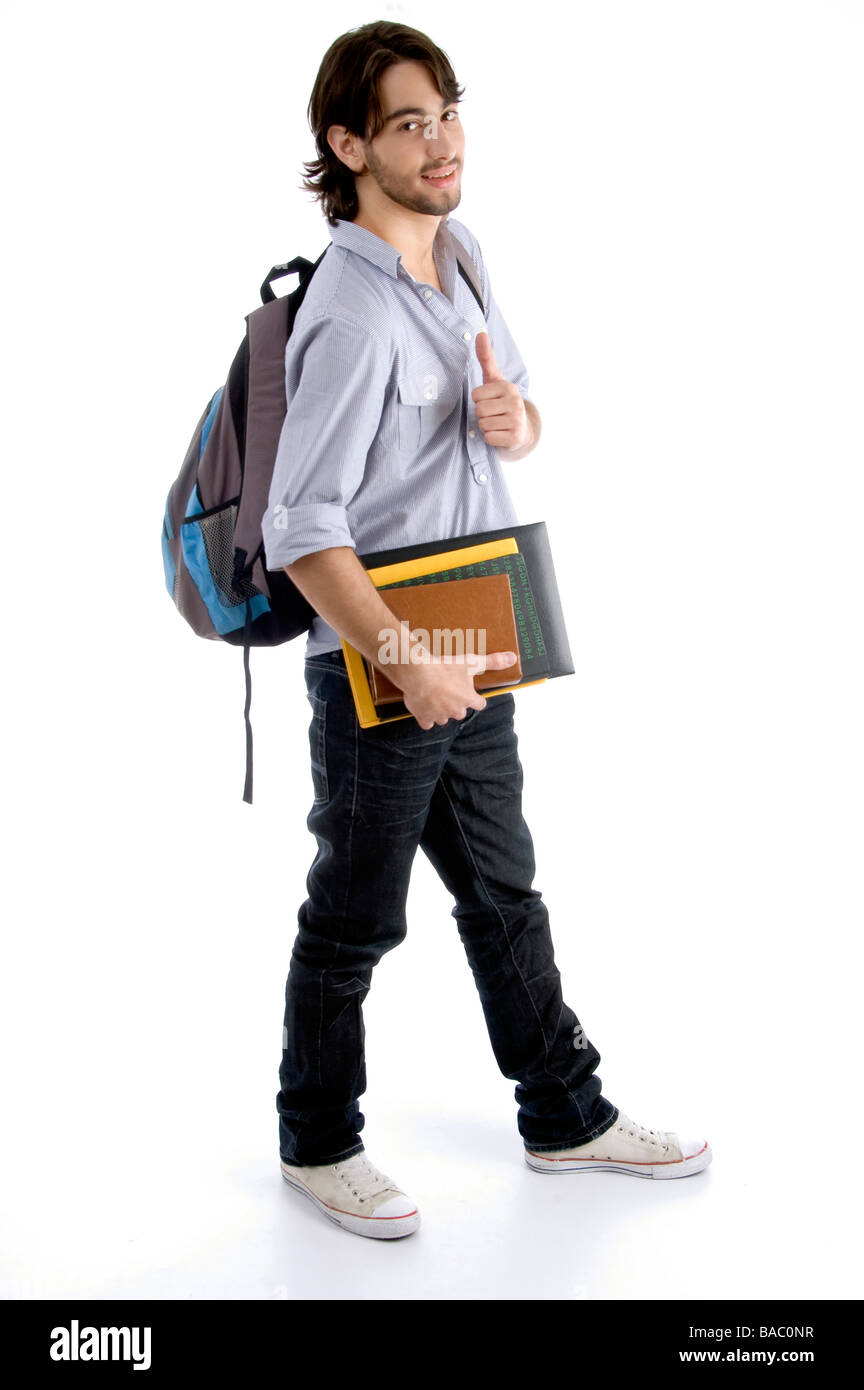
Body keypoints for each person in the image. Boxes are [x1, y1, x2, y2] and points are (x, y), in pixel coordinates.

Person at [261, 20, 712, 1241]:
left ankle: (565, 1115)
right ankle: (318, 1142)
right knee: (353, 920)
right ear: (349, 145)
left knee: (505, 894)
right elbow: (300, 532)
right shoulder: (347, 313)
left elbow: (514, 414)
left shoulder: (461, 255)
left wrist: (515, 421)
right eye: (409, 121)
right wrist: (405, 659)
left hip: (479, 644)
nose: (441, 139)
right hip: (381, 674)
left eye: (448, 110)